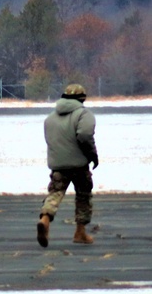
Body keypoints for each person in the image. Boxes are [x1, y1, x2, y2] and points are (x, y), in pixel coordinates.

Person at [37, 83, 99, 248]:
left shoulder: (50, 117)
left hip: (58, 165)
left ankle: (45, 218)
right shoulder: (84, 115)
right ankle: (80, 232)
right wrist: (93, 156)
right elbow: (85, 136)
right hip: (79, 165)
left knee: (55, 193)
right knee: (83, 196)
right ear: (82, 98)